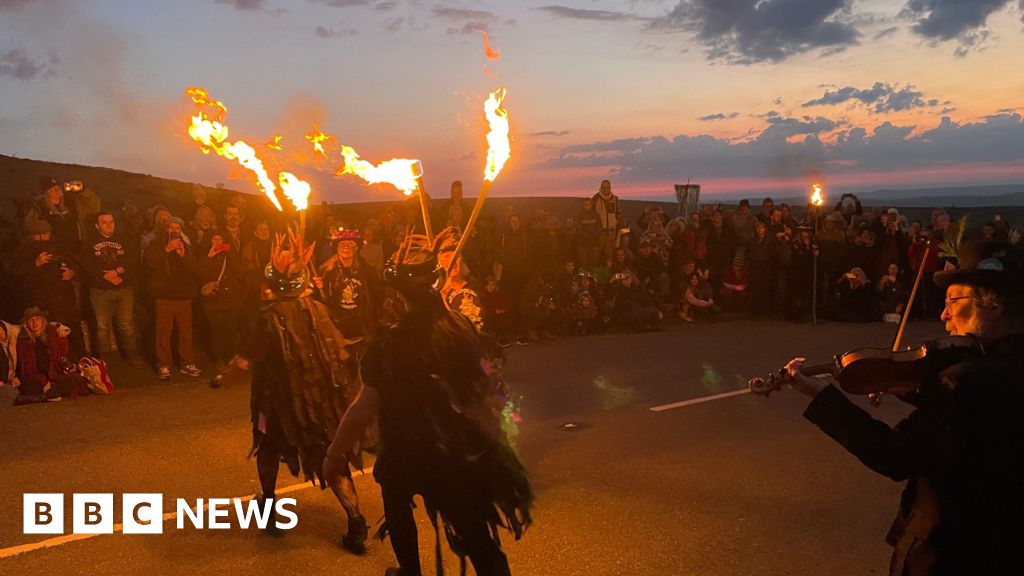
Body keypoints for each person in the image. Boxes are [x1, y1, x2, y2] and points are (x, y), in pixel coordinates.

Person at [781, 241, 1024, 574]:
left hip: (960, 550)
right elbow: (980, 428)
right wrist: (919, 392)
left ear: (993, 306)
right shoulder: (1000, 369)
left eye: (953, 301)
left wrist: (823, 399)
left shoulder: (973, 381)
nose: (943, 315)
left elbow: (895, 454)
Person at [323, 238, 532, 576]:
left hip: (412, 449)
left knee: (395, 493)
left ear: (397, 294)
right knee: (472, 527)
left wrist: (334, 455)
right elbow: (484, 388)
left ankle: (412, 572)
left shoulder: (387, 345)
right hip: (456, 449)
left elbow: (364, 407)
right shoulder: (459, 327)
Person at [227, 231, 368, 550]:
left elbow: (247, 359)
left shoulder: (269, 318)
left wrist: (227, 371)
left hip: (277, 402)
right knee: (331, 457)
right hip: (318, 403)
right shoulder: (318, 309)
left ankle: (268, 510)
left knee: (267, 447)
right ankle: (355, 519)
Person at [143, 216, 201, 380]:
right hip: (164, 296)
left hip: (183, 296)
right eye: (171, 228)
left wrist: (183, 255)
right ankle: (164, 364)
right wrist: (166, 250)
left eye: (178, 228)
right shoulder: (156, 244)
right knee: (163, 334)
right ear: (166, 229)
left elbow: (195, 267)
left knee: (186, 333)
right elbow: (149, 262)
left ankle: (187, 363)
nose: (175, 231)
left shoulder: (186, 246)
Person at [13, 307, 88, 405]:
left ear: (42, 320)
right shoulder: (23, 341)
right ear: (26, 324)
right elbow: (24, 366)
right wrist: (43, 382)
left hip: (54, 374)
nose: (35, 322)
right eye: (31, 320)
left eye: (37, 319)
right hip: (36, 377)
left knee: (77, 380)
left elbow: (62, 355)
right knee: (28, 388)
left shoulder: (52, 333)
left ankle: (49, 392)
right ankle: (47, 392)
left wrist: (69, 366)